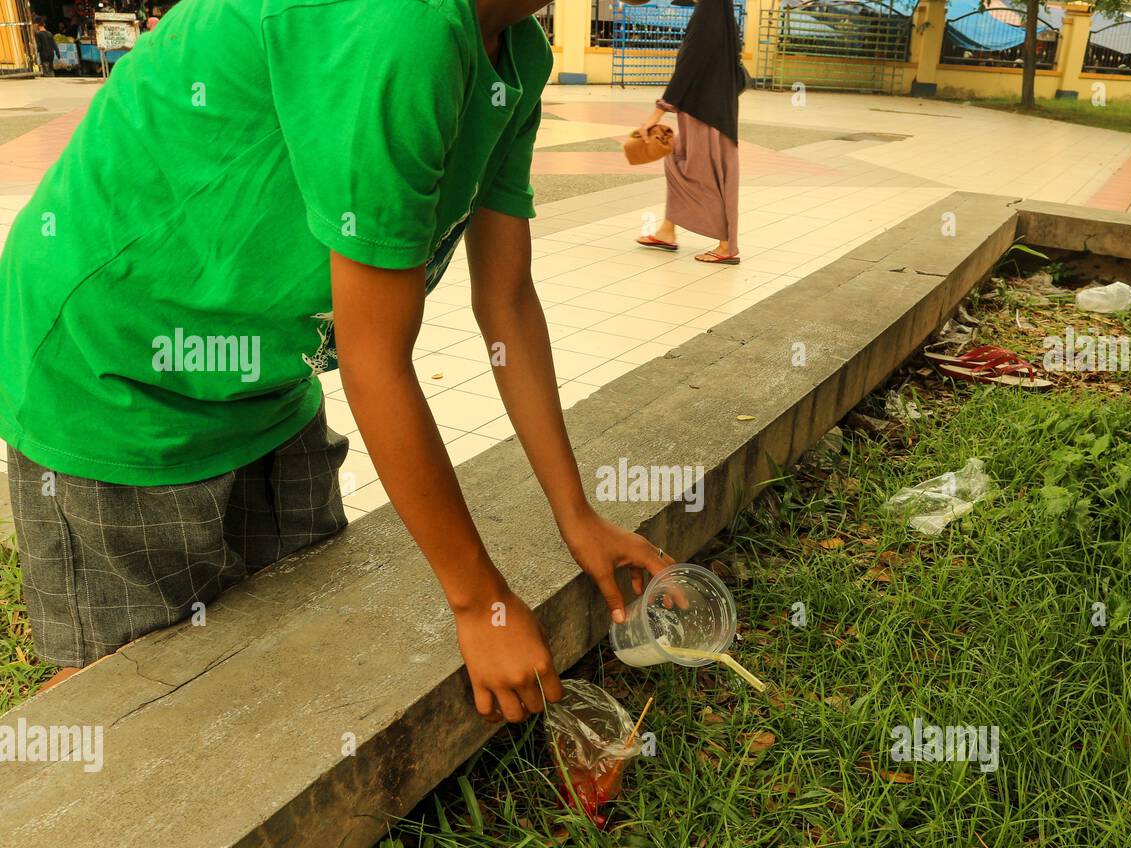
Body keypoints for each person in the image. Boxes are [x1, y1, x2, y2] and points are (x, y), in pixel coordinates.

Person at [0, 0, 672, 722]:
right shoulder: (400, 23)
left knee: (292, 635)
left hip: (262, 374)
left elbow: (506, 302)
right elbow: (374, 358)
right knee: (134, 690)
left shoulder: (517, 55)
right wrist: (481, 602)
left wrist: (575, 514)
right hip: (113, 362)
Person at [634, 0, 745, 265]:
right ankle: (666, 231)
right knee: (678, 162)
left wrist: (657, 113)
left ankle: (727, 247)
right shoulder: (722, 16)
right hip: (713, 112)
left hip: (706, 115)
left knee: (703, 175)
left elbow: (689, 66)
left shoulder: (708, 15)